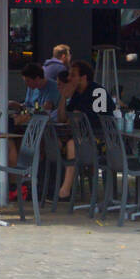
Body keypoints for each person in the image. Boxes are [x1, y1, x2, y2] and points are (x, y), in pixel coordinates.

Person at [55, 59, 116, 200]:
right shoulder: (77, 94)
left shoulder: (97, 92)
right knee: (56, 142)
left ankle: (65, 189)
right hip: (82, 137)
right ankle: (52, 185)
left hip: (103, 139)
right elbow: (62, 118)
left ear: (83, 77)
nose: (69, 78)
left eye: (73, 75)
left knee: (71, 144)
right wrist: (64, 97)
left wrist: (76, 117)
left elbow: (97, 121)